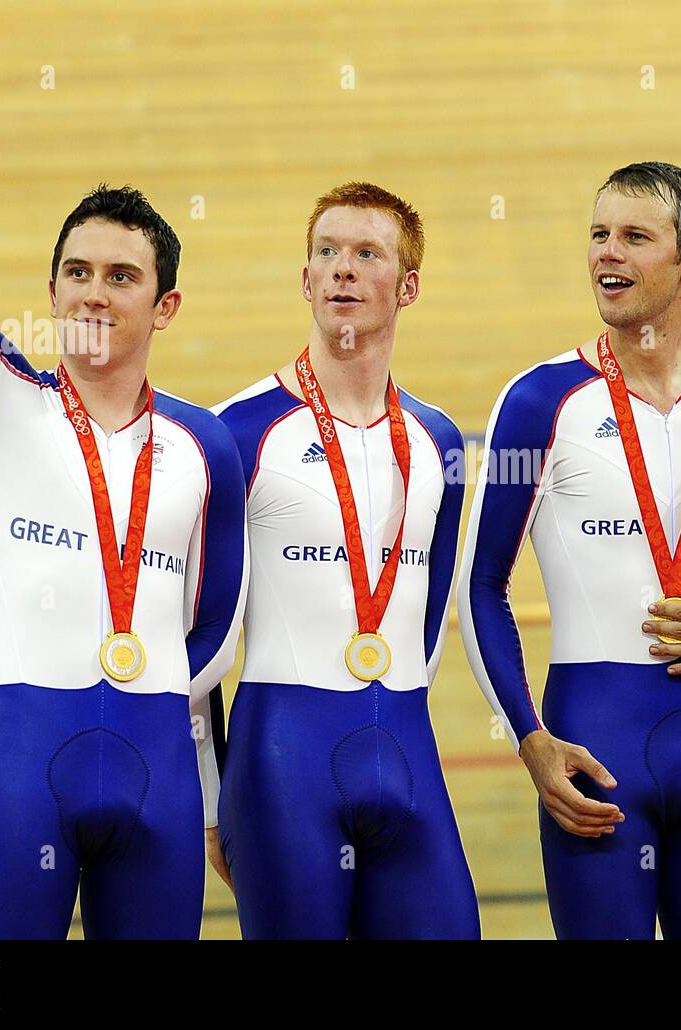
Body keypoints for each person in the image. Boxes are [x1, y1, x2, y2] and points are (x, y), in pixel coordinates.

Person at [0, 26, 248, 939]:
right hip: (22, 773)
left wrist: (182, 735)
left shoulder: (204, 445)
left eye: (121, 277)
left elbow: (218, 624)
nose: (93, 293)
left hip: (157, 780)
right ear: (50, 292)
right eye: (76, 273)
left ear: (164, 305)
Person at [457, 162, 681, 939]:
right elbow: (481, 587)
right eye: (598, 234)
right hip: (596, 745)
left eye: (633, 237)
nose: (607, 253)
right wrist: (528, 737)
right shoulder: (540, 400)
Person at [213, 183, 480, 939]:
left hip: (404, 747)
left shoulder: (438, 441)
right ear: (305, 279)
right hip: (280, 762)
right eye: (327, 252)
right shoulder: (237, 431)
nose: (343, 269)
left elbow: (428, 619)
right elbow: (194, 636)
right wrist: (206, 800)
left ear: (408, 287)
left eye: (367, 254)